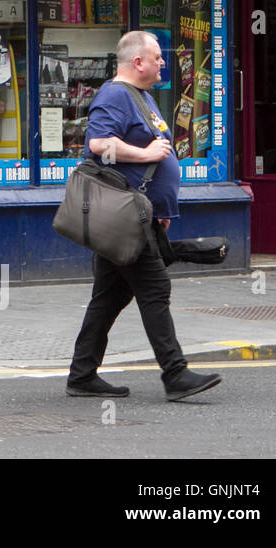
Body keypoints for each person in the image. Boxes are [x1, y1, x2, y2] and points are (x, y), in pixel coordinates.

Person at [67, 30, 222, 402]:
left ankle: (82, 375)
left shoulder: (142, 96)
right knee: (155, 288)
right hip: (124, 220)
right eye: (157, 56)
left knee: (108, 298)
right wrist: (147, 154)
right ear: (138, 62)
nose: (163, 62)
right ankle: (176, 373)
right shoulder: (115, 95)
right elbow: (99, 145)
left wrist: (162, 210)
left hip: (139, 216)